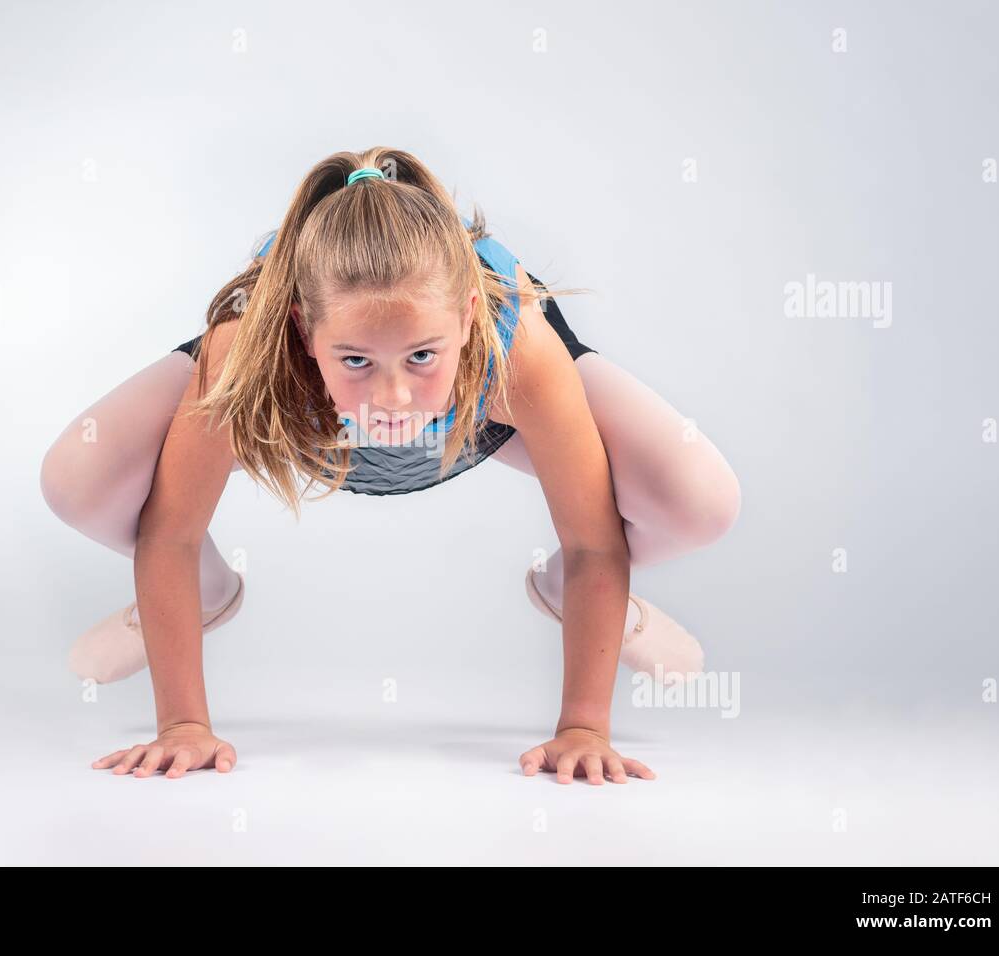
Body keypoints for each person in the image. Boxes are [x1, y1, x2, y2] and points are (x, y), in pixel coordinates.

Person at [39, 148, 741, 785]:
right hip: (302, 413)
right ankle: (207, 591)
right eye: (356, 361)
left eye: (421, 356)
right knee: (75, 478)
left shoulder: (516, 353)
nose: (393, 396)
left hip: (482, 422)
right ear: (300, 330)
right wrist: (183, 726)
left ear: (468, 318)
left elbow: (594, 540)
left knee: (701, 500)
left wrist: (583, 728)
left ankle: (579, 597)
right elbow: (169, 536)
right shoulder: (249, 349)